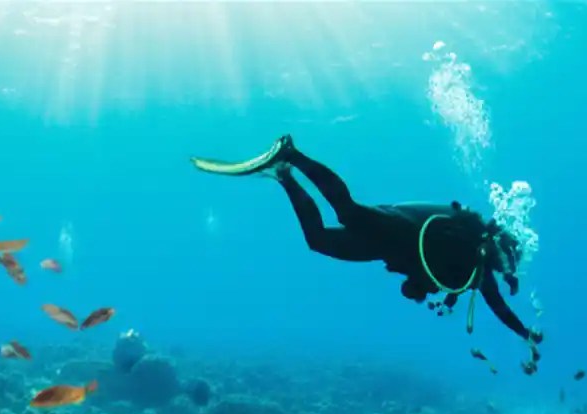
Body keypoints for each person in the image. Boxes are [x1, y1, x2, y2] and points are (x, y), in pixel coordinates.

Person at [192, 135, 543, 367]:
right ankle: (292, 153)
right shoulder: (473, 239)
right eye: (507, 259)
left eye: (507, 266)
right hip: (402, 228)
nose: (503, 267)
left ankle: (283, 174)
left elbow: (499, 309)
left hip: (384, 249)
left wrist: (525, 334)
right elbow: (437, 237)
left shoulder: (480, 277)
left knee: (318, 241)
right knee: (348, 211)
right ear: (500, 246)